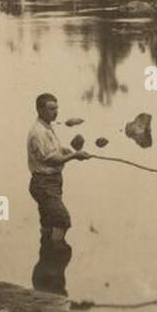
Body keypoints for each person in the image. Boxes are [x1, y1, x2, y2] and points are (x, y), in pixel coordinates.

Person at [27, 92, 91, 293]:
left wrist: (66, 151)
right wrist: (74, 156)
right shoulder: (38, 132)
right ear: (40, 110)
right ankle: (55, 265)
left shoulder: (47, 128)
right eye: (51, 108)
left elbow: (54, 151)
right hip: (44, 183)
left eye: (56, 108)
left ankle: (45, 278)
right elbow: (49, 160)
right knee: (62, 220)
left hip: (52, 183)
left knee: (48, 225)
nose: (56, 112)